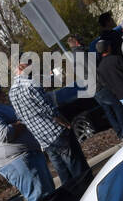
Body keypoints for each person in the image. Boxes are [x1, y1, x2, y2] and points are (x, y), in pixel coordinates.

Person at [0, 74, 54, 201]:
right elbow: (2, 134)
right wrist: (21, 122)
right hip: (17, 160)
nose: (0, 91)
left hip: (24, 157)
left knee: (48, 196)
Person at [7, 57, 91, 187]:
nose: (31, 63)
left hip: (43, 139)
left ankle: (74, 199)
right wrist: (65, 124)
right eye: (28, 62)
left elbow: (21, 117)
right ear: (20, 66)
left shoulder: (12, 92)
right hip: (56, 132)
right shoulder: (31, 84)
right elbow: (48, 109)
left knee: (64, 175)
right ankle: (90, 191)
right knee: (79, 169)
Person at [68, 34, 123, 137]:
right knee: (117, 105)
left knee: (108, 110)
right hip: (98, 85)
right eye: (80, 39)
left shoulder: (74, 56)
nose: (83, 40)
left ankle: (119, 131)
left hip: (92, 87)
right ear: (77, 42)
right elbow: (92, 69)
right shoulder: (81, 54)